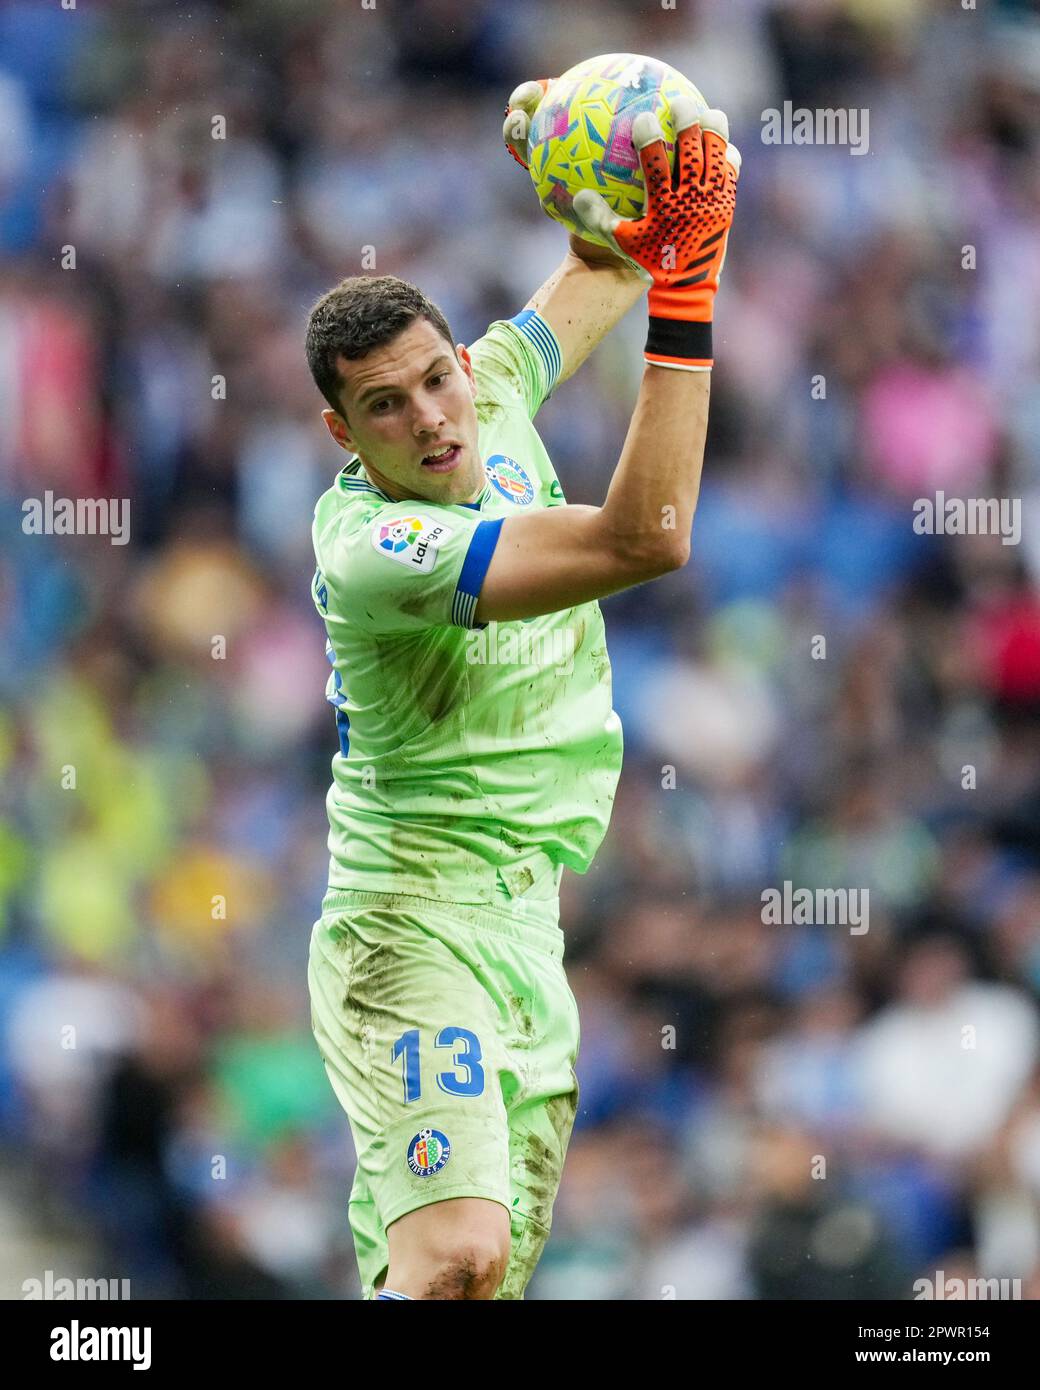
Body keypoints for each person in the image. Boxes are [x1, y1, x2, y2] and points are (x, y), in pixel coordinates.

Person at [303, 83, 740, 1300]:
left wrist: (592, 164)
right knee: (457, 1260)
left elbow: (600, 268)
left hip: (524, 932)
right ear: (343, 433)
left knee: (470, 1287)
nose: (432, 420)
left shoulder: (488, 387)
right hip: (409, 922)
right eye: (383, 406)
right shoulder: (373, 552)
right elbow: (643, 538)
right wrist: (689, 282)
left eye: (435, 378)